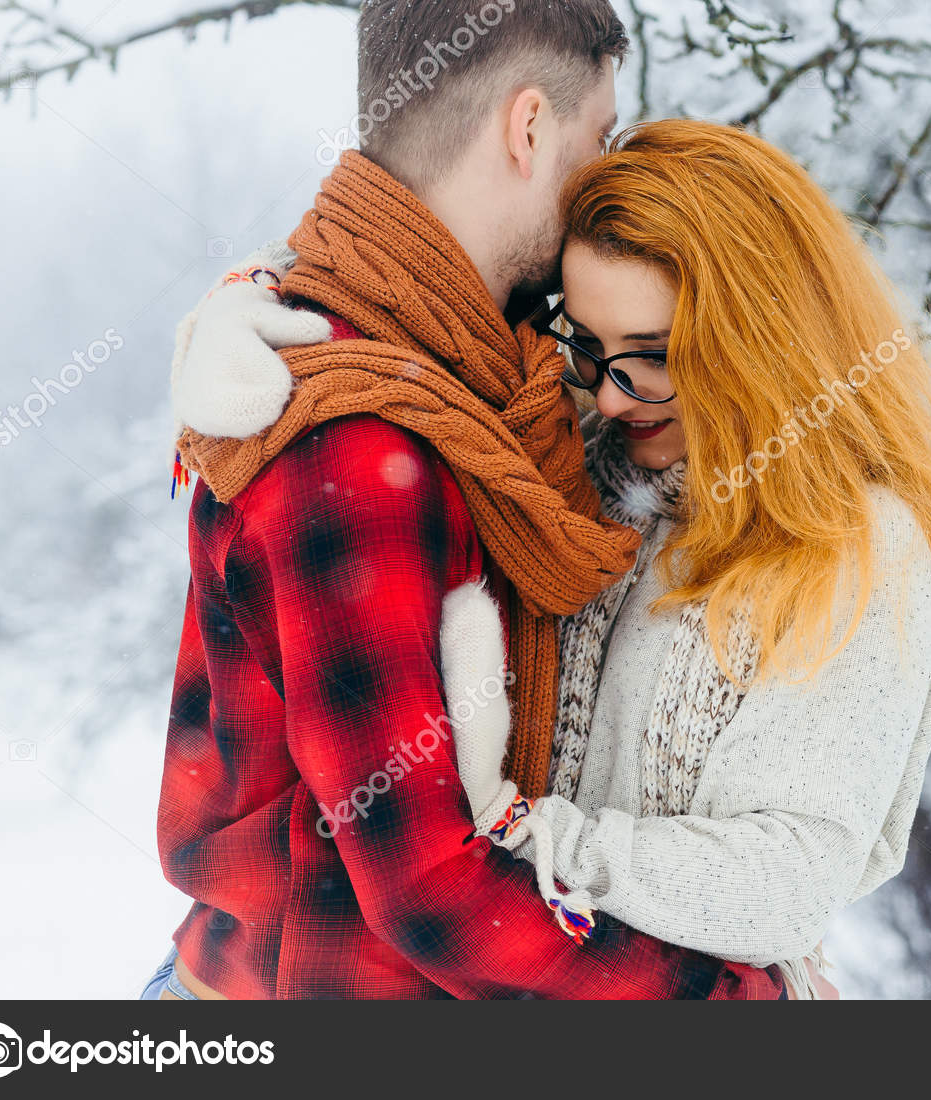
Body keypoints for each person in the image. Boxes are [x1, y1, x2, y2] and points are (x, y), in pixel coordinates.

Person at [170, 119, 931, 999]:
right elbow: (422, 299)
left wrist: (517, 835)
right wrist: (255, 298)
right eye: (593, 347)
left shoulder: (858, 557)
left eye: (651, 355)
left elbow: (783, 877)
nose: (610, 393)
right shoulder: (574, 454)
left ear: (764, 337)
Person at [148, 0, 782, 1000]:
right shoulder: (352, 443)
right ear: (528, 127)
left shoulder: (435, 365)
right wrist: (747, 1003)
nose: (601, 180)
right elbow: (430, 894)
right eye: (598, 140)